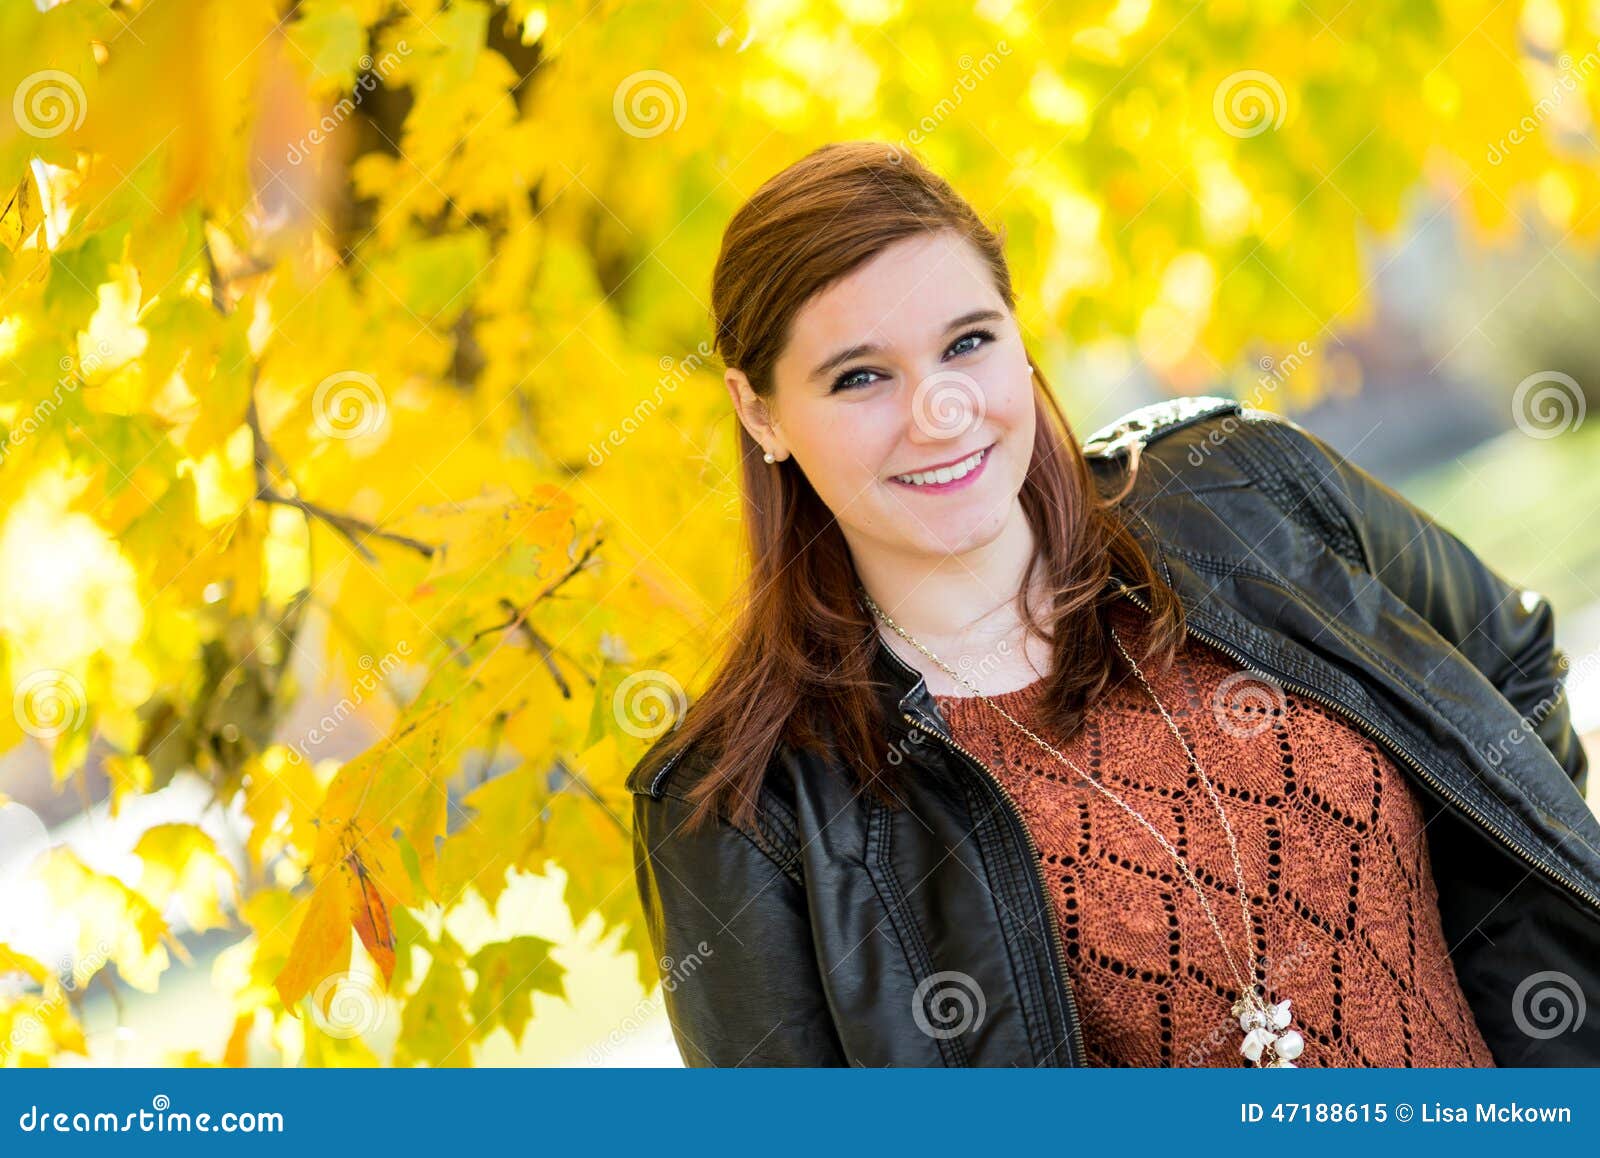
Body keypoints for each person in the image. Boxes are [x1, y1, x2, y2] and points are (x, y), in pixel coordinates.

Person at [626, 141, 1600, 1068]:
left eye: (967, 343)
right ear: (760, 411)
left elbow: (1505, 675)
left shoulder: (1241, 495)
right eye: (861, 376)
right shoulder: (745, 814)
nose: (941, 412)